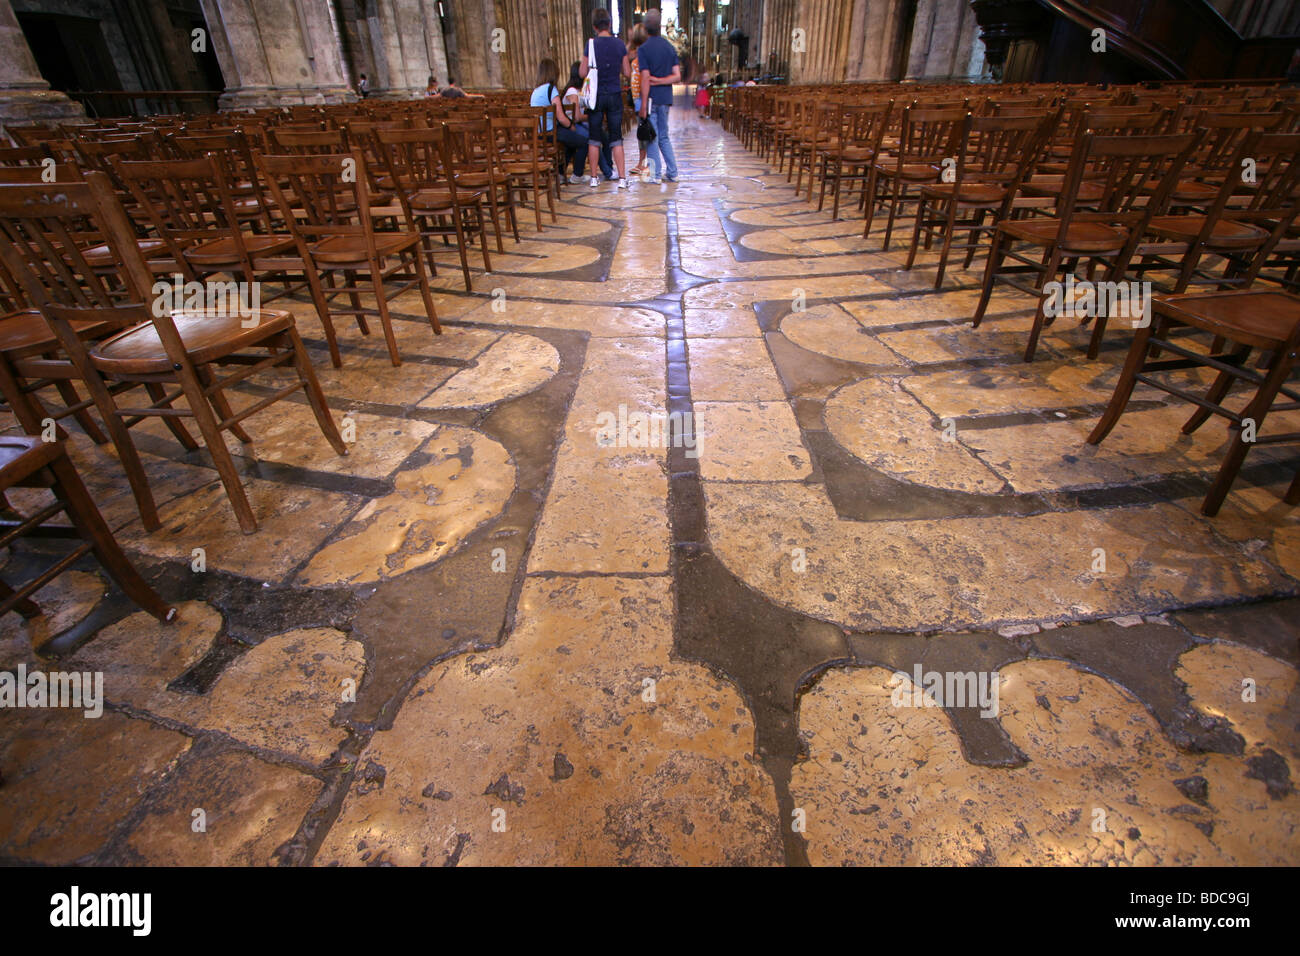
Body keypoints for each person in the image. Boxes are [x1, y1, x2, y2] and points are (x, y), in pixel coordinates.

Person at [578, 8, 630, 189]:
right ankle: (622, 178)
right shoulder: (619, 44)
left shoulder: (591, 44)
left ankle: (593, 177)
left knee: (594, 137)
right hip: (614, 94)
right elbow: (627, 72)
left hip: (596, 96)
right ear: (609, 24)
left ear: (594, 26)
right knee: (616, 137)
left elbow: (582, 72)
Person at [637, 9, 680, 184]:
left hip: (652, 98)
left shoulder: (644, 49)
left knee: (652, 137)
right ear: (660, 26)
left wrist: (643, 105)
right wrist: (663, 80)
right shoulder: (670, 47)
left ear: (646, 28)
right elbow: (677, 76)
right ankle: (673, 172)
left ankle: (655, 175)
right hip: (666, 98)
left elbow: (646, 78)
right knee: (663, 136)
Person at [532, 58, 589, 182]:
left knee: (571, 141)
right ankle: (578, 175)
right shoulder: (550, 89)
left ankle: (561, 174)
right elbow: (561, 116)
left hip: (540, 133)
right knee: (583, 141)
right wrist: (571, 127)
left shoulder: (535, 91)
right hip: (551, 132)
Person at [563, 62, 613, 180]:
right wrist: (593, 117)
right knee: (593, 138)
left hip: (579, 123)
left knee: (605, 136)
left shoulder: (579, 90)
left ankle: (610, 167)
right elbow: (577, 117)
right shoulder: (572, 92)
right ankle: (606, 172)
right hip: (572, 124)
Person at [627, 23, 649, 177]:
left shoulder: (644, 53)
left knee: (644, 132)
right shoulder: (638, 52)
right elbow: (626, 54)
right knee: (641, 132)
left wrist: (643, 102)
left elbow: (645, 78)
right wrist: (630, 41)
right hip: (637, 99)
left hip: (641, 98)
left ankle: (644, 163)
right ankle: (642, 162)